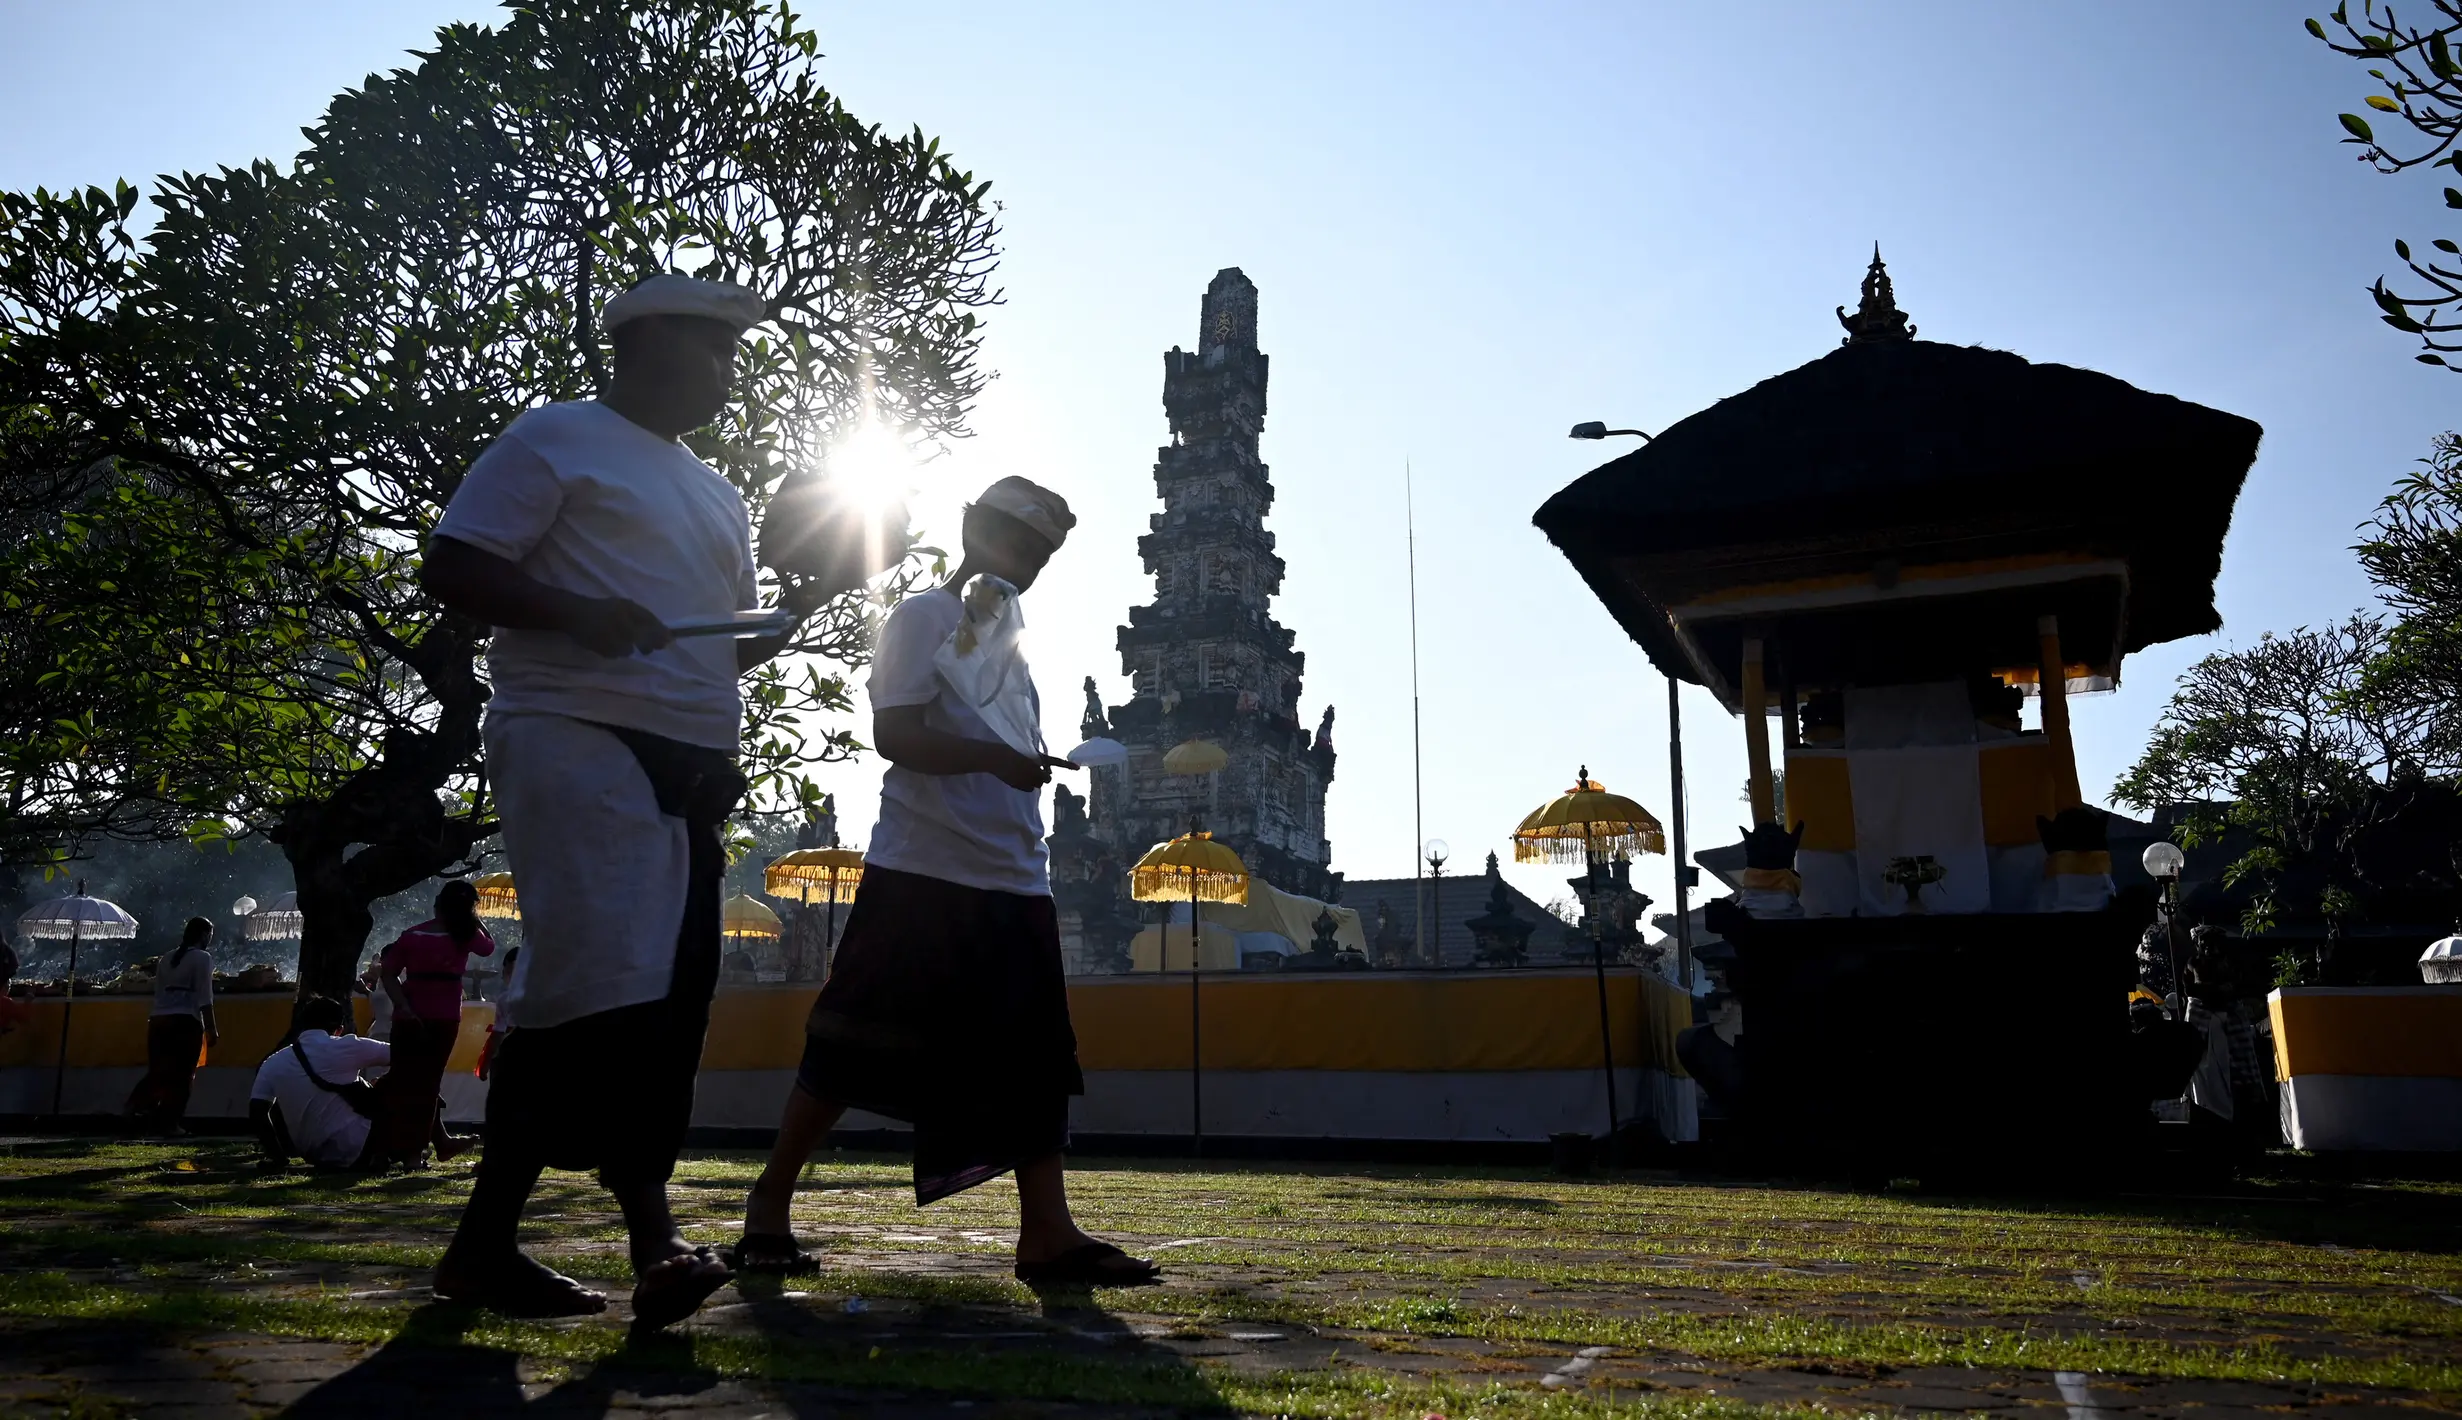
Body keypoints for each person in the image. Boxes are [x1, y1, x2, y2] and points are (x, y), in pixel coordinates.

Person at [421, 271, 876, 1326]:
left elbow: (718, 640)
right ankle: (643, 1239)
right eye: (708, 352)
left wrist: (799, 607)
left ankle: (506, 1243)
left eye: (731, 356)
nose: (725, 375)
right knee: (607, 984)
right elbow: (451, 564)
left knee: (667, 995)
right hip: (574, 731)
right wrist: (576, 612)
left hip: (688, 765)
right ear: (640, 347)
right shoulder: (553, 439)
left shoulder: (715, 493)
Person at [733, 478, 1160, 1288]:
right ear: (970, 528)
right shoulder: (924, 617)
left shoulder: (1012, 649)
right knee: (853, 1041)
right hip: (924, 869)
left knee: (1034, 1058)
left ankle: (1047, 1231)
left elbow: (993, 742)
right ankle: (768, 1202)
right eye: (1012, 542)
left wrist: (1023, 768)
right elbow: (895, 731)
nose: (1023, 563)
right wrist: (996, 760)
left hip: (1012, 875)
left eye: (1038, 554)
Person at [251, 995, 473, 1170]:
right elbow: (411, 1058)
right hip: (361, 1146)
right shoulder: (347, 1046)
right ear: (339, 1028)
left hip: (315, 1155)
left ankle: (433, 1144)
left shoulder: (274, 1061)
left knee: (391, 1084)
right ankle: (437, 1143)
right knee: (409, 1080)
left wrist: (277, 1157)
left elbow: (258, 1112)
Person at [374, 882, 496, 1162]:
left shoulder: (413, 934)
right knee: (428, 1084)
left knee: (402, 1080)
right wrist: (475, 918)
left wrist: (403, 1005)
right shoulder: (465, 936)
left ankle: (387, 1147)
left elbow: (389, 974)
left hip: (409, 1015)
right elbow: (489, 948)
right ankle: (414, 1152)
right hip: (445, 1016)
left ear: (437, 904)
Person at [126, 918, 218, 1134]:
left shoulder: (166, 958)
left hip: (158, 1021)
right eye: (210, 935)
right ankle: (169, 1123)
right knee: (183, 1075)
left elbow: (158, 993)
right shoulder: (202, 958)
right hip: (185, 1022)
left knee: (159, 1072)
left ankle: (133, 1108)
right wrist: (211, 1028)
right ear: (204, 935)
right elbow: (206, 997)